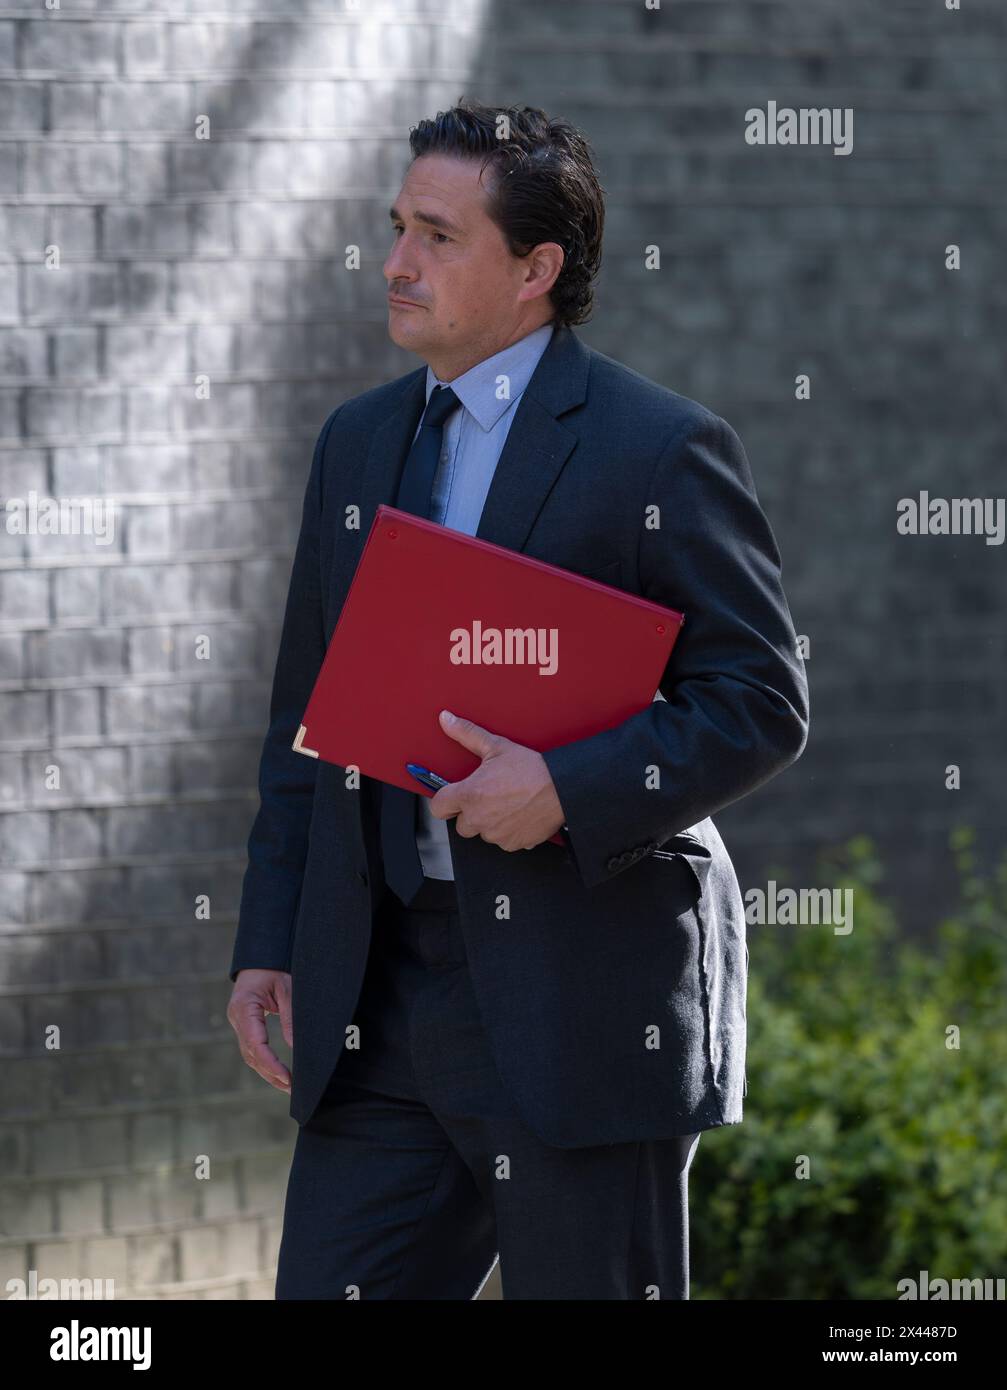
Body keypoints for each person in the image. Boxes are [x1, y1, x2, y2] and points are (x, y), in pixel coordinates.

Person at [226, 98, 809, 1300]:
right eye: (396, 228)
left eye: (436, 237)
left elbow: (758, 694)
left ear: (535, 268)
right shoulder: (355, 443)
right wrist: (268, 941)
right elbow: (305, 718)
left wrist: (565, 788)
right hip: (381, 999)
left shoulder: (657, 448)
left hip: (582, 1001)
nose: (394, 262)